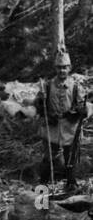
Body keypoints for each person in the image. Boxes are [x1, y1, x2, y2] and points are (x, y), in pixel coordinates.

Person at [36, 51, 88, 192]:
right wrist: (40, 102)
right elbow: (39, 107)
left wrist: (81, 110)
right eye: (59, 67)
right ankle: (42, 188)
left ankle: (71, 185)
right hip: (52, 127)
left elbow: (82, 106)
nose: (62, 70)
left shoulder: (76, 86)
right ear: (55, 68)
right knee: (48, 158)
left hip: (70, 127)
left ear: (69, 68)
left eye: (64, 67)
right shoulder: (47, 85)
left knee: (70, 157)